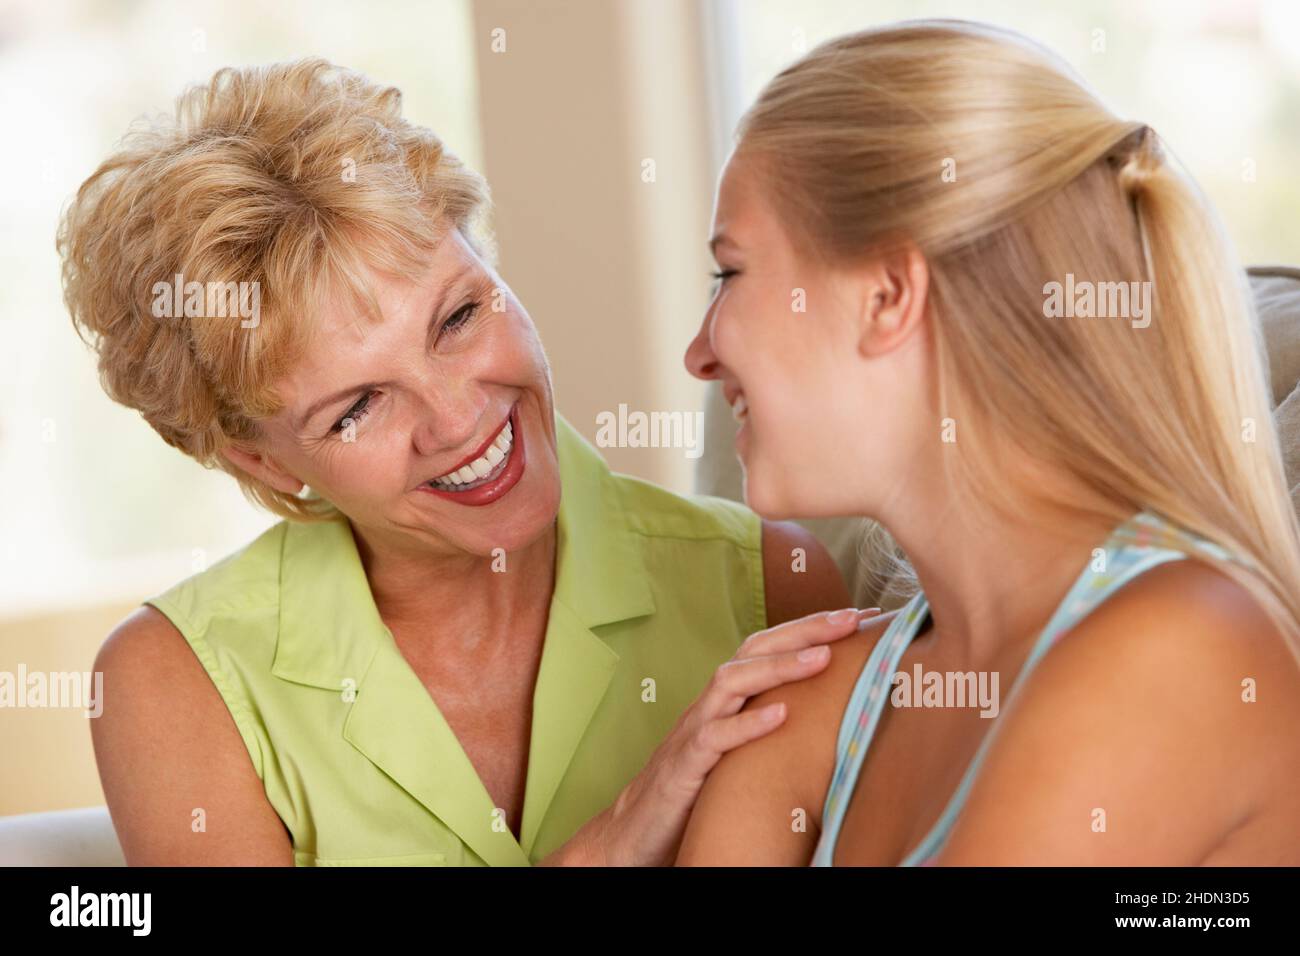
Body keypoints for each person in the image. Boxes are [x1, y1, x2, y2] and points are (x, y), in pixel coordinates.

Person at [57, 59, 861, 866]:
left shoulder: (770, 583)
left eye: (460, 316)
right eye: (358, 407)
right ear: (260, 462)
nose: (459, 418)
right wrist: (620, 835)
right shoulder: (172, 683)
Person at [677, 20, 1300, 865]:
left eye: (731, 273)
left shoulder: (1184, 645)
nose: (699, 352)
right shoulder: (820, 702)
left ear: (890, 294)